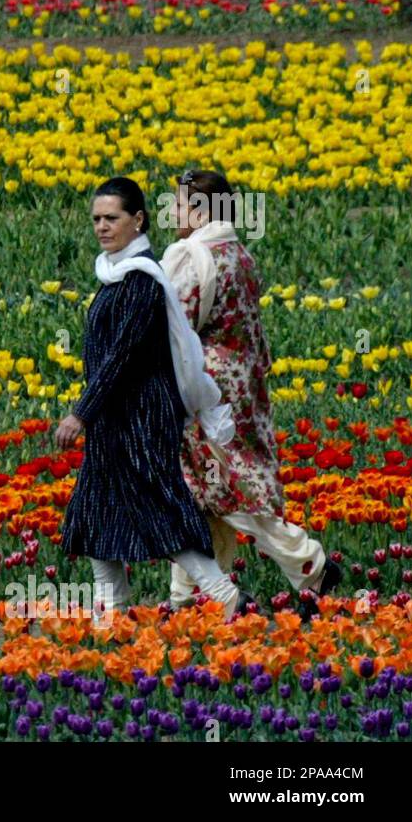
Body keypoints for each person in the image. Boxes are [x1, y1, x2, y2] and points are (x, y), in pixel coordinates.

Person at [57, 176, 255, 623]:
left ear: (138, 220)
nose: (102, 227)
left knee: (162, 511)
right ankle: (112, 613)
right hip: (115, 421)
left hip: (142, 419)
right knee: (95, 515)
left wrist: (80, 414)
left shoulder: (141, 281)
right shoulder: (114, 274)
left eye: (112, 218)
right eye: (96, 219)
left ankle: (227, 599)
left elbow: (122, 357)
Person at [160, 170, 341, 621]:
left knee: (230, 491)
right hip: (244, 385)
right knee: (202, 491)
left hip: (205, 393)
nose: (173, 214)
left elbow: (176, 330)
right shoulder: (238, 254)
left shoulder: (191, 256)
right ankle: (192, 598)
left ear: (200, 211)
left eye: (179, 206)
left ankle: (310, 565)